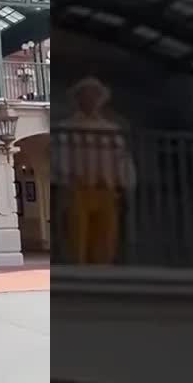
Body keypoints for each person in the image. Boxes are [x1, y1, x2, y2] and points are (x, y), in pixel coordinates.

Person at [63, 76, 135, 265]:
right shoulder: (66, 127)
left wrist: (123, 182)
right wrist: (66, 178)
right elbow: (61, 156)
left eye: (95, 95)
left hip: (106, 188)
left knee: (106, 236)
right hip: (78, 187)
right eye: (85, 95)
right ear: (77, 98)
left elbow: (121, 158)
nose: (90, 99)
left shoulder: (111, 129)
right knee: (77, 235)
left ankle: (103, 270)